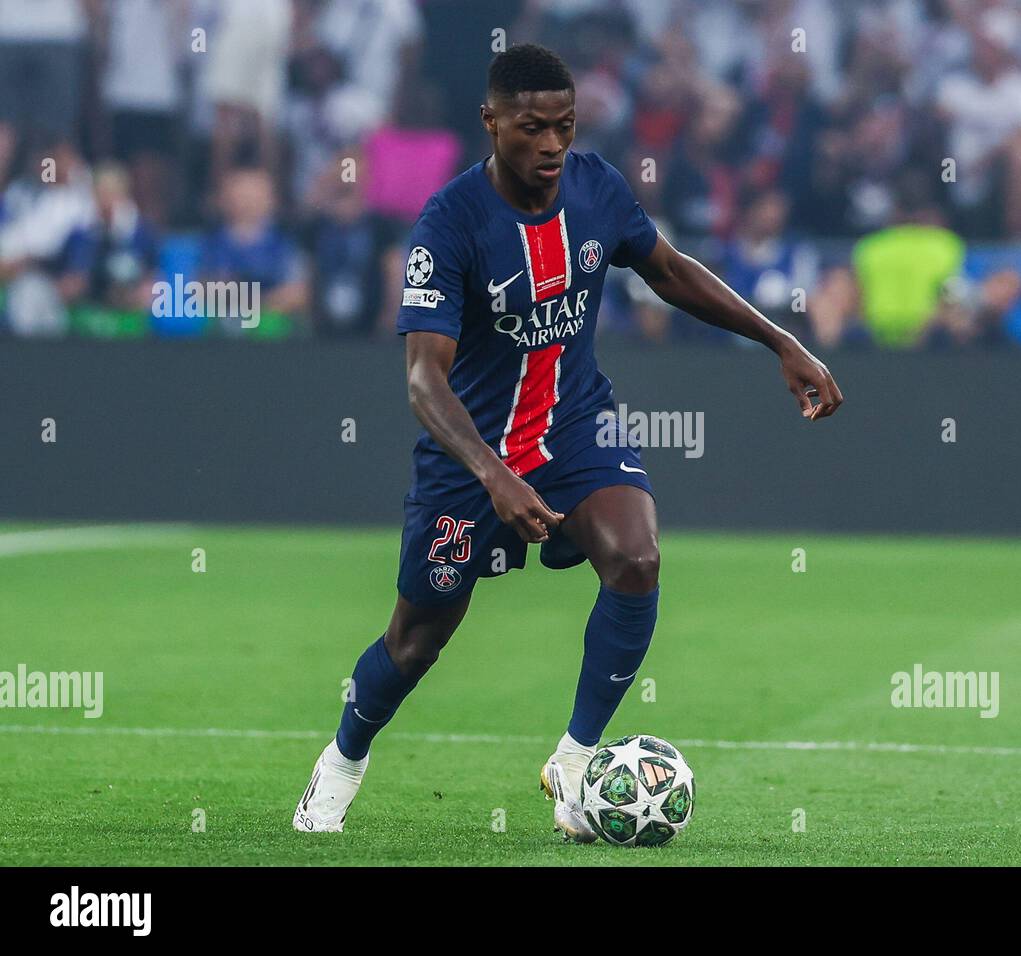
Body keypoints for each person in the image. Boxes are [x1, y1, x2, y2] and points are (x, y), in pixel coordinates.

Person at [293, 44, 843, 841]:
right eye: (530, 128)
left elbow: (668, 268)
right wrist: (493, 476)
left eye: (564, 126)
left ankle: (576, 761)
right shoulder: (448, 226)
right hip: (469, 455)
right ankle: (343, 760)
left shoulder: (595, 188)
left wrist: (779, 340)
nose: (551, 145)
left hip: (576, 425)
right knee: (416, 641)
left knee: (637, 558)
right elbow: (423, 382)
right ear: (490, 123)